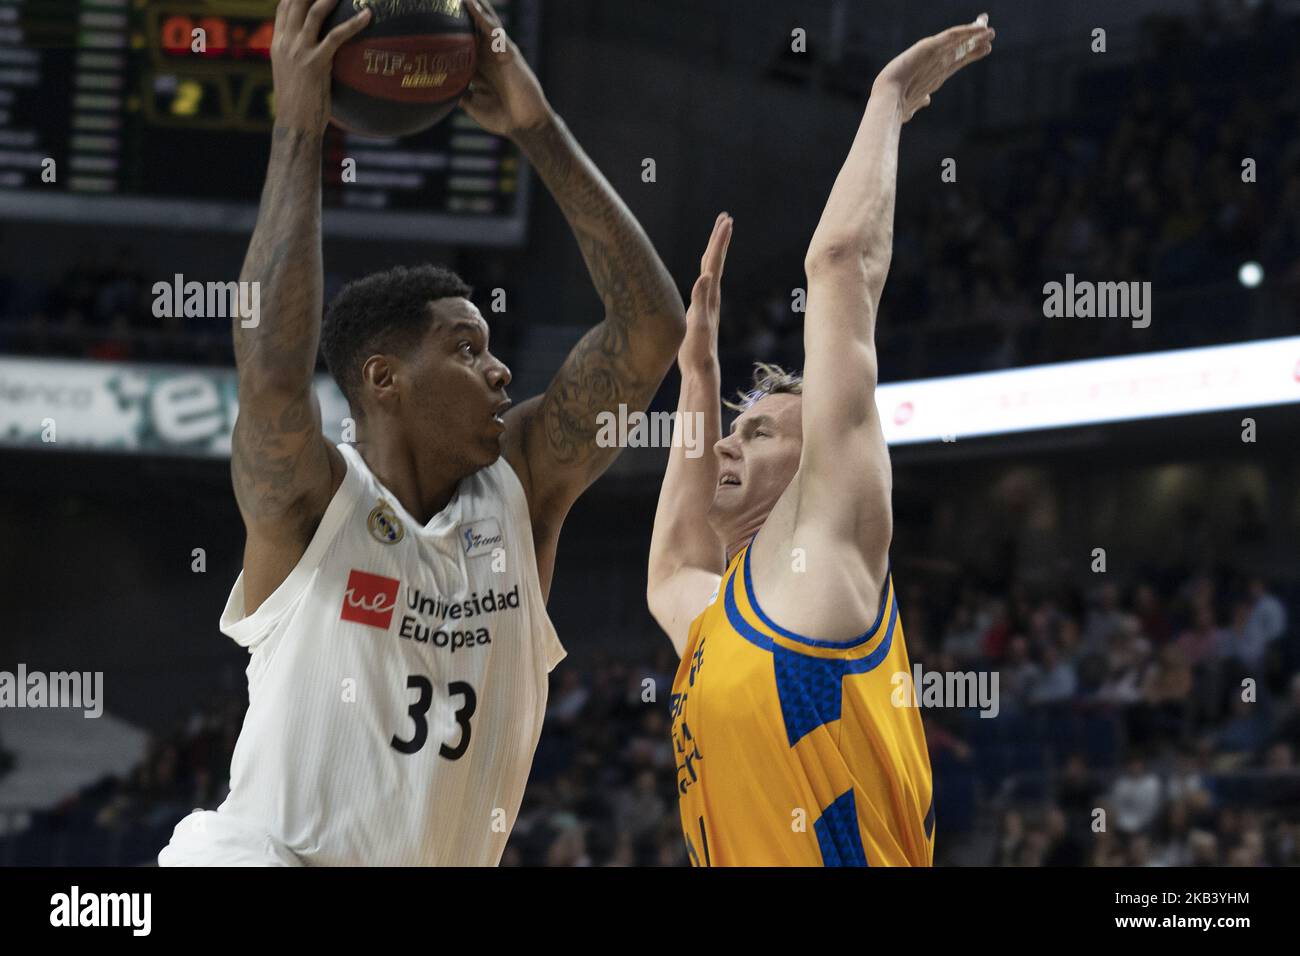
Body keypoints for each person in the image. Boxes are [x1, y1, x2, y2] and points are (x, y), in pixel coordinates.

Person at [160, 0, 684, 866]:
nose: (501, 370)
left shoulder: (520, 489)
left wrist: (538, 126)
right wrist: (299, 128)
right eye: (466, 348)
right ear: (383, 380)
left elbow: (649, 333)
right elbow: (273, 373)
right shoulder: (309, 507)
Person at [646, 17, 995, 865]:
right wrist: (697, 376)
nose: (726, 447)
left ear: (817, 469)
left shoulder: (826, 550)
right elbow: (670, 564)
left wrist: (887, 102)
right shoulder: (707, 615)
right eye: (730, 433)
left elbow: (841, 263)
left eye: (758, 431)